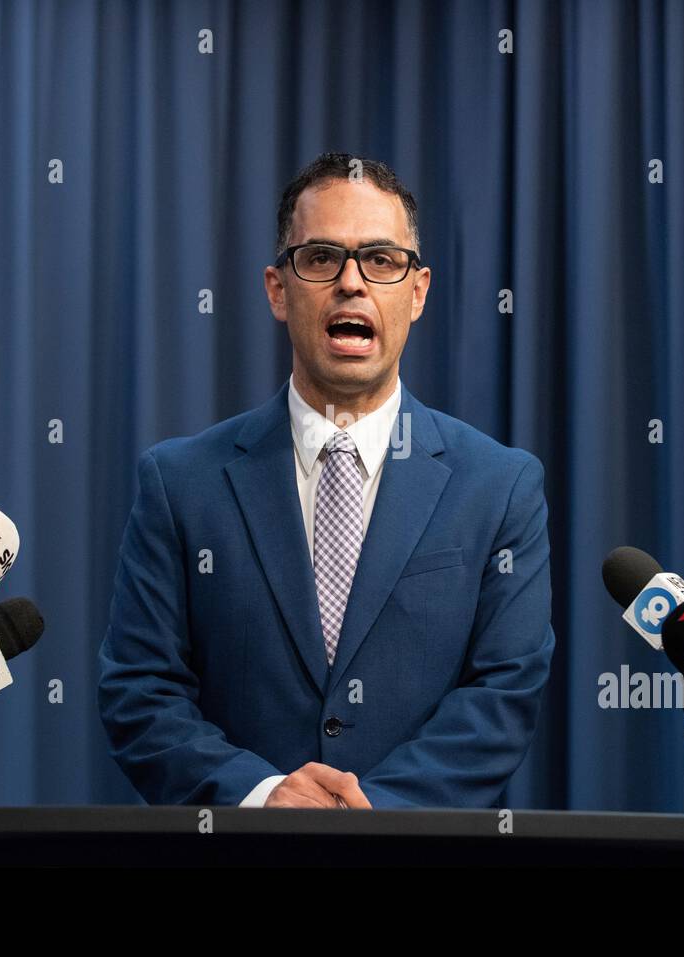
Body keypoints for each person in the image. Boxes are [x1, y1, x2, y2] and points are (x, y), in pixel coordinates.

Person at [98, 152, 555, 809]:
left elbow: (502, 697)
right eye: (320, 258)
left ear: (418, 291)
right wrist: (261, 795)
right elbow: (139, 692)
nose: (351, 282)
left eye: (381, 259)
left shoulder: (500, 486)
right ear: (278, 289)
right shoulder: (180, 482)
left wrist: (371, 815)